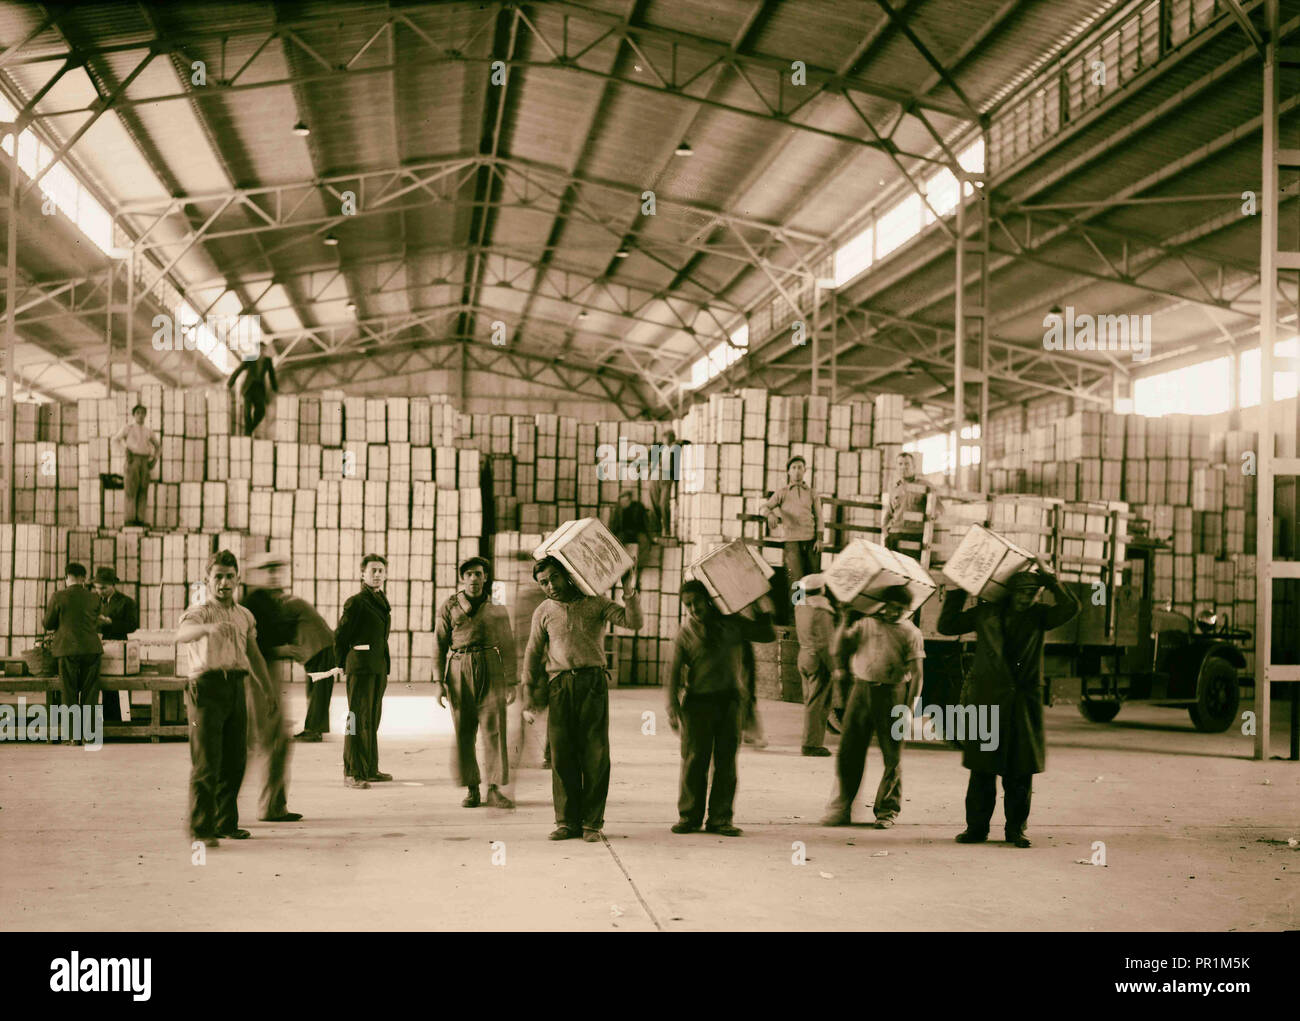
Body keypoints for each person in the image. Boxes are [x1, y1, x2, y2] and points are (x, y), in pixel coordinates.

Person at [937, 557, 1080, 848]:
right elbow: (946, 625)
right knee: (982, 770)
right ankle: (976, 829)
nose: (1029, 596)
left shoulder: (1040, 615)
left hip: (1022, 703)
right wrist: (960, 590)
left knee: (1020, 771)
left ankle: (1016, 830)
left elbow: (1072, 608)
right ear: (1011, 592)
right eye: (1024, 591)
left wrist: (1052, 579)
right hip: (988, 700)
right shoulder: (985, 613)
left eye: (1034, 592)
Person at [524, 556, 641, 842]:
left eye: (553, 578)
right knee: (562, 756)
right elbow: (532, 653)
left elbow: (633, 622)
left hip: (592, 684)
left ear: (566, 575)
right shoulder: (543, 611)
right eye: (543, 583)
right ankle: (566, 822)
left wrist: (629, 590)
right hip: (560, 685)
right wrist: (528, 694)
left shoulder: (596, 602)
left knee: (596, 754)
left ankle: (592, 824)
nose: (550, 586)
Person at [175, 550, 276, 844]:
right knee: (207, 762)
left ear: (238, 579)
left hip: (236, 687)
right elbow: (181, 634)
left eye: (229, 576)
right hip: (205, 689)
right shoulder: (200, 612)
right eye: (218, 576)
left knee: (235, 761)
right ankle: (201, 828)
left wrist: (268, 690)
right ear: (208, 580)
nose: (224, 582)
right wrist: (207, 629)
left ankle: (225, 823)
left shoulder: (244, 615)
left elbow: (254, 655)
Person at [667, 582, 775, 837]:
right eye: (688, 605)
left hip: (730, 702)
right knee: (694, 761)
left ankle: (720, 818)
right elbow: (672, 672)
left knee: (726, 762)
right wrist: (672, 706)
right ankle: (689, 817)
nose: (693, 609)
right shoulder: (685, 633)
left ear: (709, 600)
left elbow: (767, 633)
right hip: (696, 704)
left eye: (697, 602)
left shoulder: (734, 624)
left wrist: (760, 604)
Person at [822, 585, 924, 829]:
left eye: (899, 609)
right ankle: (840, 808)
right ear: (882, 604)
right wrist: (845, 619)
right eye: (889, 607)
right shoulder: (867, 623)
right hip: (861, 690)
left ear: (907, 610)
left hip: (892, 694)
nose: (892, 613)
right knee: (849, 751)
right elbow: (837, 649)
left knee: (892, 756)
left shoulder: (910, 632)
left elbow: (918, 674)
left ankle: (887, 811)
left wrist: (909, 709)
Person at [434, 557, 518, 809]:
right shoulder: (449, 606)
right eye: (469, 574)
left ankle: (494, 788)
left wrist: (512, 681)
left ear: (485, 577)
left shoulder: (496, 607)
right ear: (462, 578)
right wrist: (439, 682)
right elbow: (438, 644)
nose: (474, 578)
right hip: (459, 667)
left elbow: (508, 645)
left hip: (491, 666)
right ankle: (472, 789)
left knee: (494, 729)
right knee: (464, 730)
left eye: (478, 574)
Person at [238, 554, 303, 824]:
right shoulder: (251, 604)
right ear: (255, 574)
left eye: (278, 570)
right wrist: (281, 649)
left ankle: (274, 805)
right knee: (268, 743)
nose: (274, 575)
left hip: (271, 674)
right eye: (268, 571)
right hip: (257, 677)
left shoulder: (272, 602)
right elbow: (250, 648)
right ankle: (269, 807)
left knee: (277, 743)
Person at [335, 553, 391, 789]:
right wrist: (340, 664)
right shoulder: (356, 602)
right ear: (362, 574)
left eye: (381, 571)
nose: (377, 575)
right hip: (360, 667)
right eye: (373, 571)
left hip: (377, 667)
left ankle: (369, 768)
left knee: (372, 719)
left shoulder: (381, 600)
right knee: (356, 719)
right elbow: (340, 635)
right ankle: (352, 771)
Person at [43, 563, 104, 745]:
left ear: (66, 577)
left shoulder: (58, 596)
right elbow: (95, 621)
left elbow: (48, 624)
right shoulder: (94, 598)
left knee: (68, 692)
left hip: (67, 649)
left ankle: (73, 736)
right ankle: (90, 734)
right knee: (90, 692)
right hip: (92, 649)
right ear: (84, 579)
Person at [270, 594, 339, 742]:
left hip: (321, 648)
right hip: (317, 649)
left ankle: (314, 731)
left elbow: (277, 627)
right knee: (314, 693)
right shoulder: (294, 602)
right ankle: (312, 729)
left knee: (319, 693)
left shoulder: (290, 605)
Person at [761, 455, 822, 585]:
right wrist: (770, 515)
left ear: (805, 470)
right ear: (788, 471)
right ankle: (796, 605)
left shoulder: (812, 493)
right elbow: (763, 507)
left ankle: (813, 605)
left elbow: (819, 517)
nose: (797, 471)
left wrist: (820, 538)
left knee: (814, 579)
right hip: (791, 541)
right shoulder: (782, 492)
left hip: (811, 542)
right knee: (796, 580)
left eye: (800, 467)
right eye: (793, 467)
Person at [793, 573, 836, 757]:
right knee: (818, 702)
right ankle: (811, 745)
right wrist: (835, 667)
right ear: (823, 589)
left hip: (803, 655)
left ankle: (810, 740)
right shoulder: (822, 611)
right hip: (818, 658)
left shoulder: (800, 606)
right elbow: (826, 643)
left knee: (810, 701)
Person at [92, 566, 137, 724]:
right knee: (102, 684)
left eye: (103, 588)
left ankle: (115, 721)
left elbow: (132, 625)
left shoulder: (126, 602)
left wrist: (111, 623)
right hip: (99, 646)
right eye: (97, 588)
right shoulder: (94, 601)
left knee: (115, 686)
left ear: (112, 585)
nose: (100, 592)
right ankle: (105, 720)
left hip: (118, 648)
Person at [882, 452, 942, 553]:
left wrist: (926, 525)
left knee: (911, 567)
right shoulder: (895, 489)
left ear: (914, 466)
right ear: (896, 467)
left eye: (907, 464)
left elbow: (939, 509)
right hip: (893, 536)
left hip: (913, 536)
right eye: (900, 464)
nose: (903, 467)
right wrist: (886, 532)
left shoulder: (926, 486)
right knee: (891, 568)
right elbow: (889, 513)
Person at [110, 404, 159, 527]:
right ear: (134, 415)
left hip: (144, 462)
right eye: (138, 413)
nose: (141, 415)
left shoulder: (148, 431)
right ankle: (129, 520)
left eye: (143, 413)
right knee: (131, 490)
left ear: (145, 415)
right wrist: (125, 451)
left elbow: (158, 446)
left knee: (143, 490)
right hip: (132, 461)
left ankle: (140, 520)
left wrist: (154, 459)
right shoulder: (128, 428)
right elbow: (115, 440)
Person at [610, 489, 653, 588]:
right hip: (624, 533)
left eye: (625, 501)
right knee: (617, 543)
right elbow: (613, 524)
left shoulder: (639, 507)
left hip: (638, 532)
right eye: (622, 502)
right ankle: (618, 569)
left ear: (629, 500)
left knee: (645, 542)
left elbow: (646, 522)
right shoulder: (618, 509)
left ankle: (639, 568)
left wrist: (650, 536)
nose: (623, 503)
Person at [227, 353, 277, 437]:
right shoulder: (250, 358)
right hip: (248, 389)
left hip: (259, 389)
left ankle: (250, 429)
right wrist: (229, 384)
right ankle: (247, 432)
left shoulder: (268, 361)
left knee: (261, 411)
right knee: (247, 412)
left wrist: (276, 389)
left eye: (263, 349)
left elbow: (272, 375)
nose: (261, 352)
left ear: (265, 350)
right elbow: (239, 370)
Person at [650, 430, 683, 537]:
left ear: (673, 439)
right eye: (665, 437)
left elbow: (686, 442)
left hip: (667, 477)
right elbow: (647, 456)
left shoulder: (676, 449)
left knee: (663, 504)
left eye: (669, 438)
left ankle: (667, 530)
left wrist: (676, 481)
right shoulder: (658, 447)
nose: (666, 440)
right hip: (655, 475)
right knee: (654, 503)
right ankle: (657, 530)